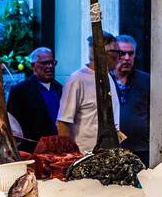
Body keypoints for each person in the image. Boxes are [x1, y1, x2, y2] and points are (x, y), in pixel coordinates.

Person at [58, 35, 122, 153]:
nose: (119, 58)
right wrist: (69, 155)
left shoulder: (109, 77)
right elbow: (62, 122)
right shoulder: (77, 79)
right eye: (117, 52)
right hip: (84, 154)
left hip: (107, 153)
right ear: (104, 53)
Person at [6, 47, 61, 144]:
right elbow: (12, 125)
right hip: (33, 148)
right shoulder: (19, 91)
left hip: (59, 146)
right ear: (33, 66)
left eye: (52, 62)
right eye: (44, 63)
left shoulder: (60, 88)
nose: (50, 66)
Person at [112, 35, 151, 167]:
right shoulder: (105, 80)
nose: (127, 58)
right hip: (113, 150)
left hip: (141, 149)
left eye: (131, 53)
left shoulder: (146, 80)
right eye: (122, 53)